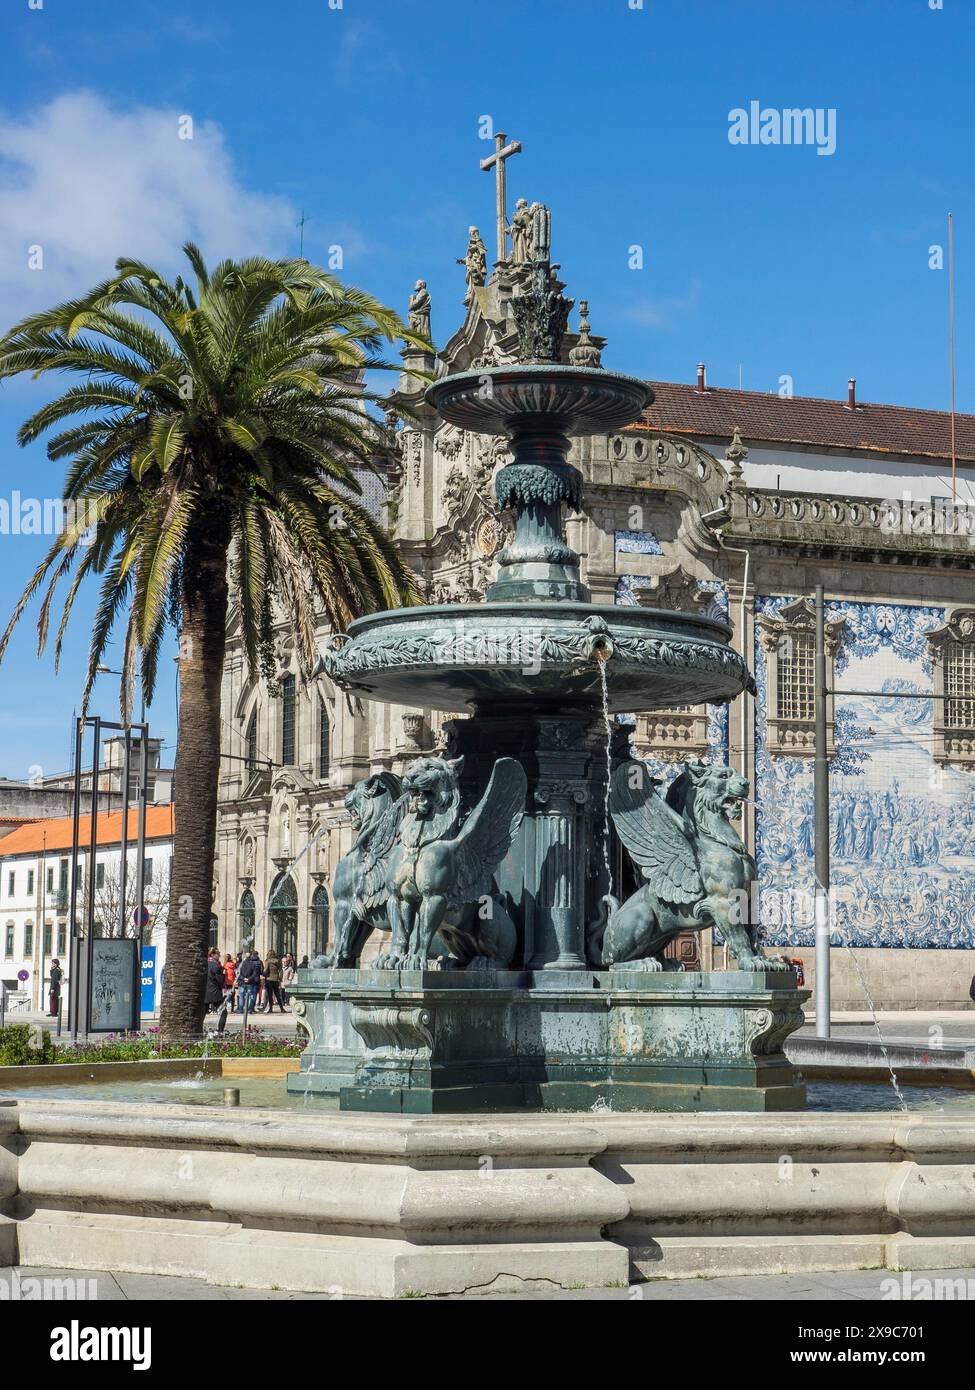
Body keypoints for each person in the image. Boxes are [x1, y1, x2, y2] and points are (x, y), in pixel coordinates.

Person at [237, 950, 262, 1015]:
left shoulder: (241, 964)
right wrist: (249, 979)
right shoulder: (253, 964)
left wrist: (243, 978)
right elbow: (255, 973)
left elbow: (238, 973)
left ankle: (240, 1009)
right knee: (251, 995)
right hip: (250, 982)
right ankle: (249, 1009)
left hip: (242, 982)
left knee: (241, 995)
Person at [204, 949, 225, 1014]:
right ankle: (220, 1025)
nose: (219, 956)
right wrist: (223, 975)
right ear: (212, 955)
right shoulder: (216, 965)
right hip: (214, 991)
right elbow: (220, 980)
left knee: (203, 1012)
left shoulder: (205, 963)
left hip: (205, 991)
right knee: (223, 1012)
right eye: (218, 954)